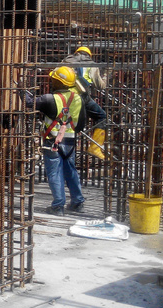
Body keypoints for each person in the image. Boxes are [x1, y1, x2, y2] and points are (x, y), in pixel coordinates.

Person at [24, 66, 106, 216]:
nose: (52, 82)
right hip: (70, 142)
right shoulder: (78, 99)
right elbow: (81, 124)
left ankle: (58, 206)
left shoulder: (49, 99)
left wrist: (21, 90)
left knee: (55, 173)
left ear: (59, 82)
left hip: (52, 142)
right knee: (70, 171)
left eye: (54, 80)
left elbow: (29, 102)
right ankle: (77, 202)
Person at [62, 46, 107, 159]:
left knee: (66, 122)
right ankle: (95, 148)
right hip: (81, 97)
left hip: (63, 97)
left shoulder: (65, 61)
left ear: (76, 53)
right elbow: (100, 86)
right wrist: (105, 77)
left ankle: (63, 147)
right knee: (102, 116)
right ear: (89, 55)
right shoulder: (92, 65)